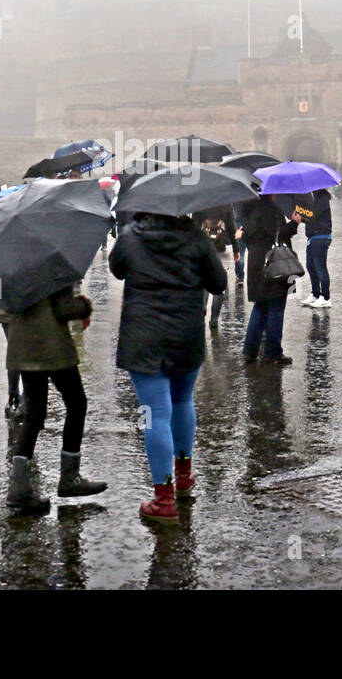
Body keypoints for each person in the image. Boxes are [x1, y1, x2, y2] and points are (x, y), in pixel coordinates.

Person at [110, 212, 226, 523]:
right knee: (183, 400)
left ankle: (163, 500)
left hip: (143, 337)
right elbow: (219, 283)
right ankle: (184, 476)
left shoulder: (130, 236)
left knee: (154, 412)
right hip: (184, 333)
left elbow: (116, 268)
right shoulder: (196, 237)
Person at [0, 285, 105, 512]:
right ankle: (69, 478)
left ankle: (19, 489)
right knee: (76, 403)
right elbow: (64, 309)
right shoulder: (51, 267)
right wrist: (84, 306)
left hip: (22, 344)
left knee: (34, 412)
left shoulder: (14, 266)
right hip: (51, 347)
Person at [239, 196, 299, 365]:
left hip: (256, 264)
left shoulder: (247, 209)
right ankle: (273, 352)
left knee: (260, 306)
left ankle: (249, 350)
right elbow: (276, 235)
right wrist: (294, 222)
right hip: (273, 265)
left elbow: (247, 237)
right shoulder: (269, 209)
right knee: (276, 308)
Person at [195, 204, 238, 329]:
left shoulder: (199, 200)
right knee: (220, 282)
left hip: (204, 244)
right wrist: (236, 249)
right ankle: (214, 319)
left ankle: (202, 308)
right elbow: (231, 227)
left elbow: (195, 227)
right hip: (223, 245)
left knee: (204, 278)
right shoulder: (226, 203)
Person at [302, 187, 333, 308]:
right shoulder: (313, 198)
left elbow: (312, 215)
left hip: (321, 236)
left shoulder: (322, 197)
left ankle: (325, 297)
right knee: (310, 266)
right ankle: (315, 294)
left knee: (320, 267)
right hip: (312, 236)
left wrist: (300, 212)